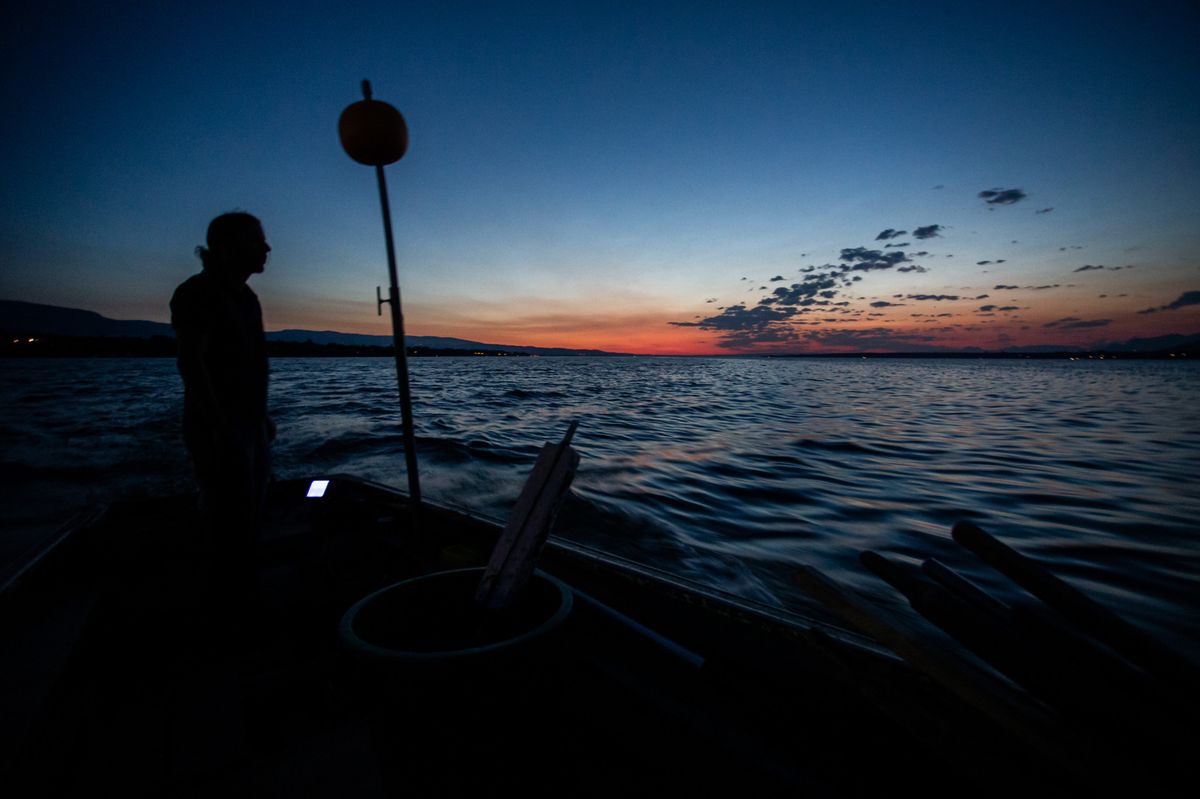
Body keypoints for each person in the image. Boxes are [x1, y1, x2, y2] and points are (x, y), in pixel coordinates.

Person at [170, 212, 274, 573]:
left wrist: (262, 416)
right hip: (218, 426)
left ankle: (243, 578)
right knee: (227, 513)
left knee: (251, 507)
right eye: (256, 240)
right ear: (226, 248)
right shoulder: (197, 294)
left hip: (251, 423)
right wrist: (219, 428)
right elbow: (192, 364)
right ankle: (224, 595)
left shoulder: (247, 297)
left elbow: (251, 363)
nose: (266, 248)